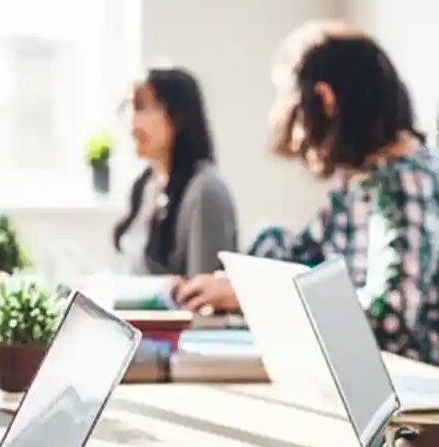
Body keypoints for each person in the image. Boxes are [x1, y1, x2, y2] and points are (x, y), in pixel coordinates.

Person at [175, 20, 439, 365]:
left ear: (325, 99)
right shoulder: (357, 181)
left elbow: (388, 321)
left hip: (410, 395)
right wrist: (243, 277)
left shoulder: (404, 185)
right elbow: (306, 259)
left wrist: (255, 295)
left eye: (289, 98)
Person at [113, 67, 238, 277]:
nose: (132, 122)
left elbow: (204, 294)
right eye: (129, 107)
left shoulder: (204, 190)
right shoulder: (144, 186)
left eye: (141, 107)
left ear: (177, 115)